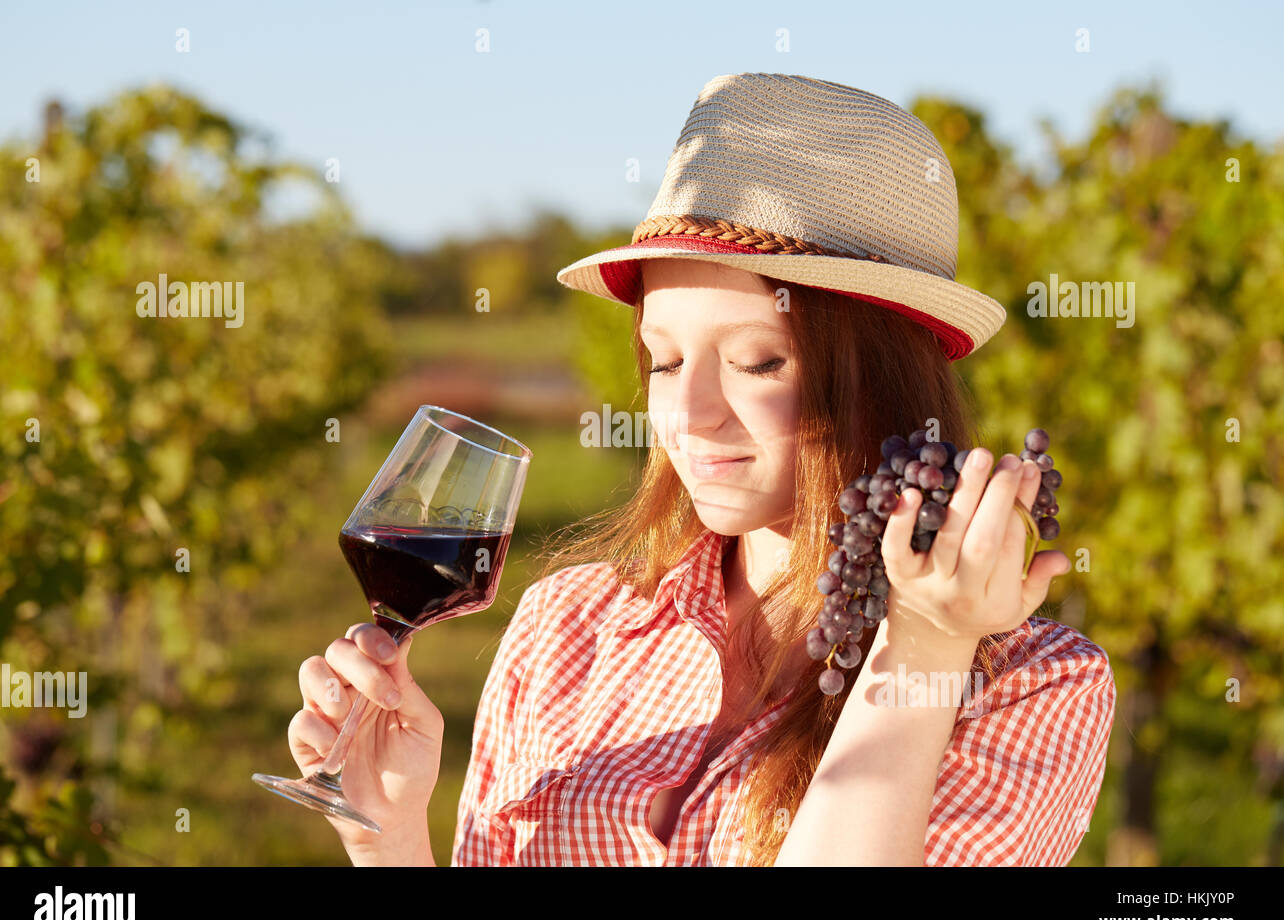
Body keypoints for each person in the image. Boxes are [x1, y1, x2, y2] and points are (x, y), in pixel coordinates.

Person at [287, 73, 1116, 866]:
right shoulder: (564, 629)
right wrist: (389, 841)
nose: (689, 414)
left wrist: (925, 649)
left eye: (759, 363)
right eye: (665, 360)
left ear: (883, 381)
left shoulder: (1030, 688)